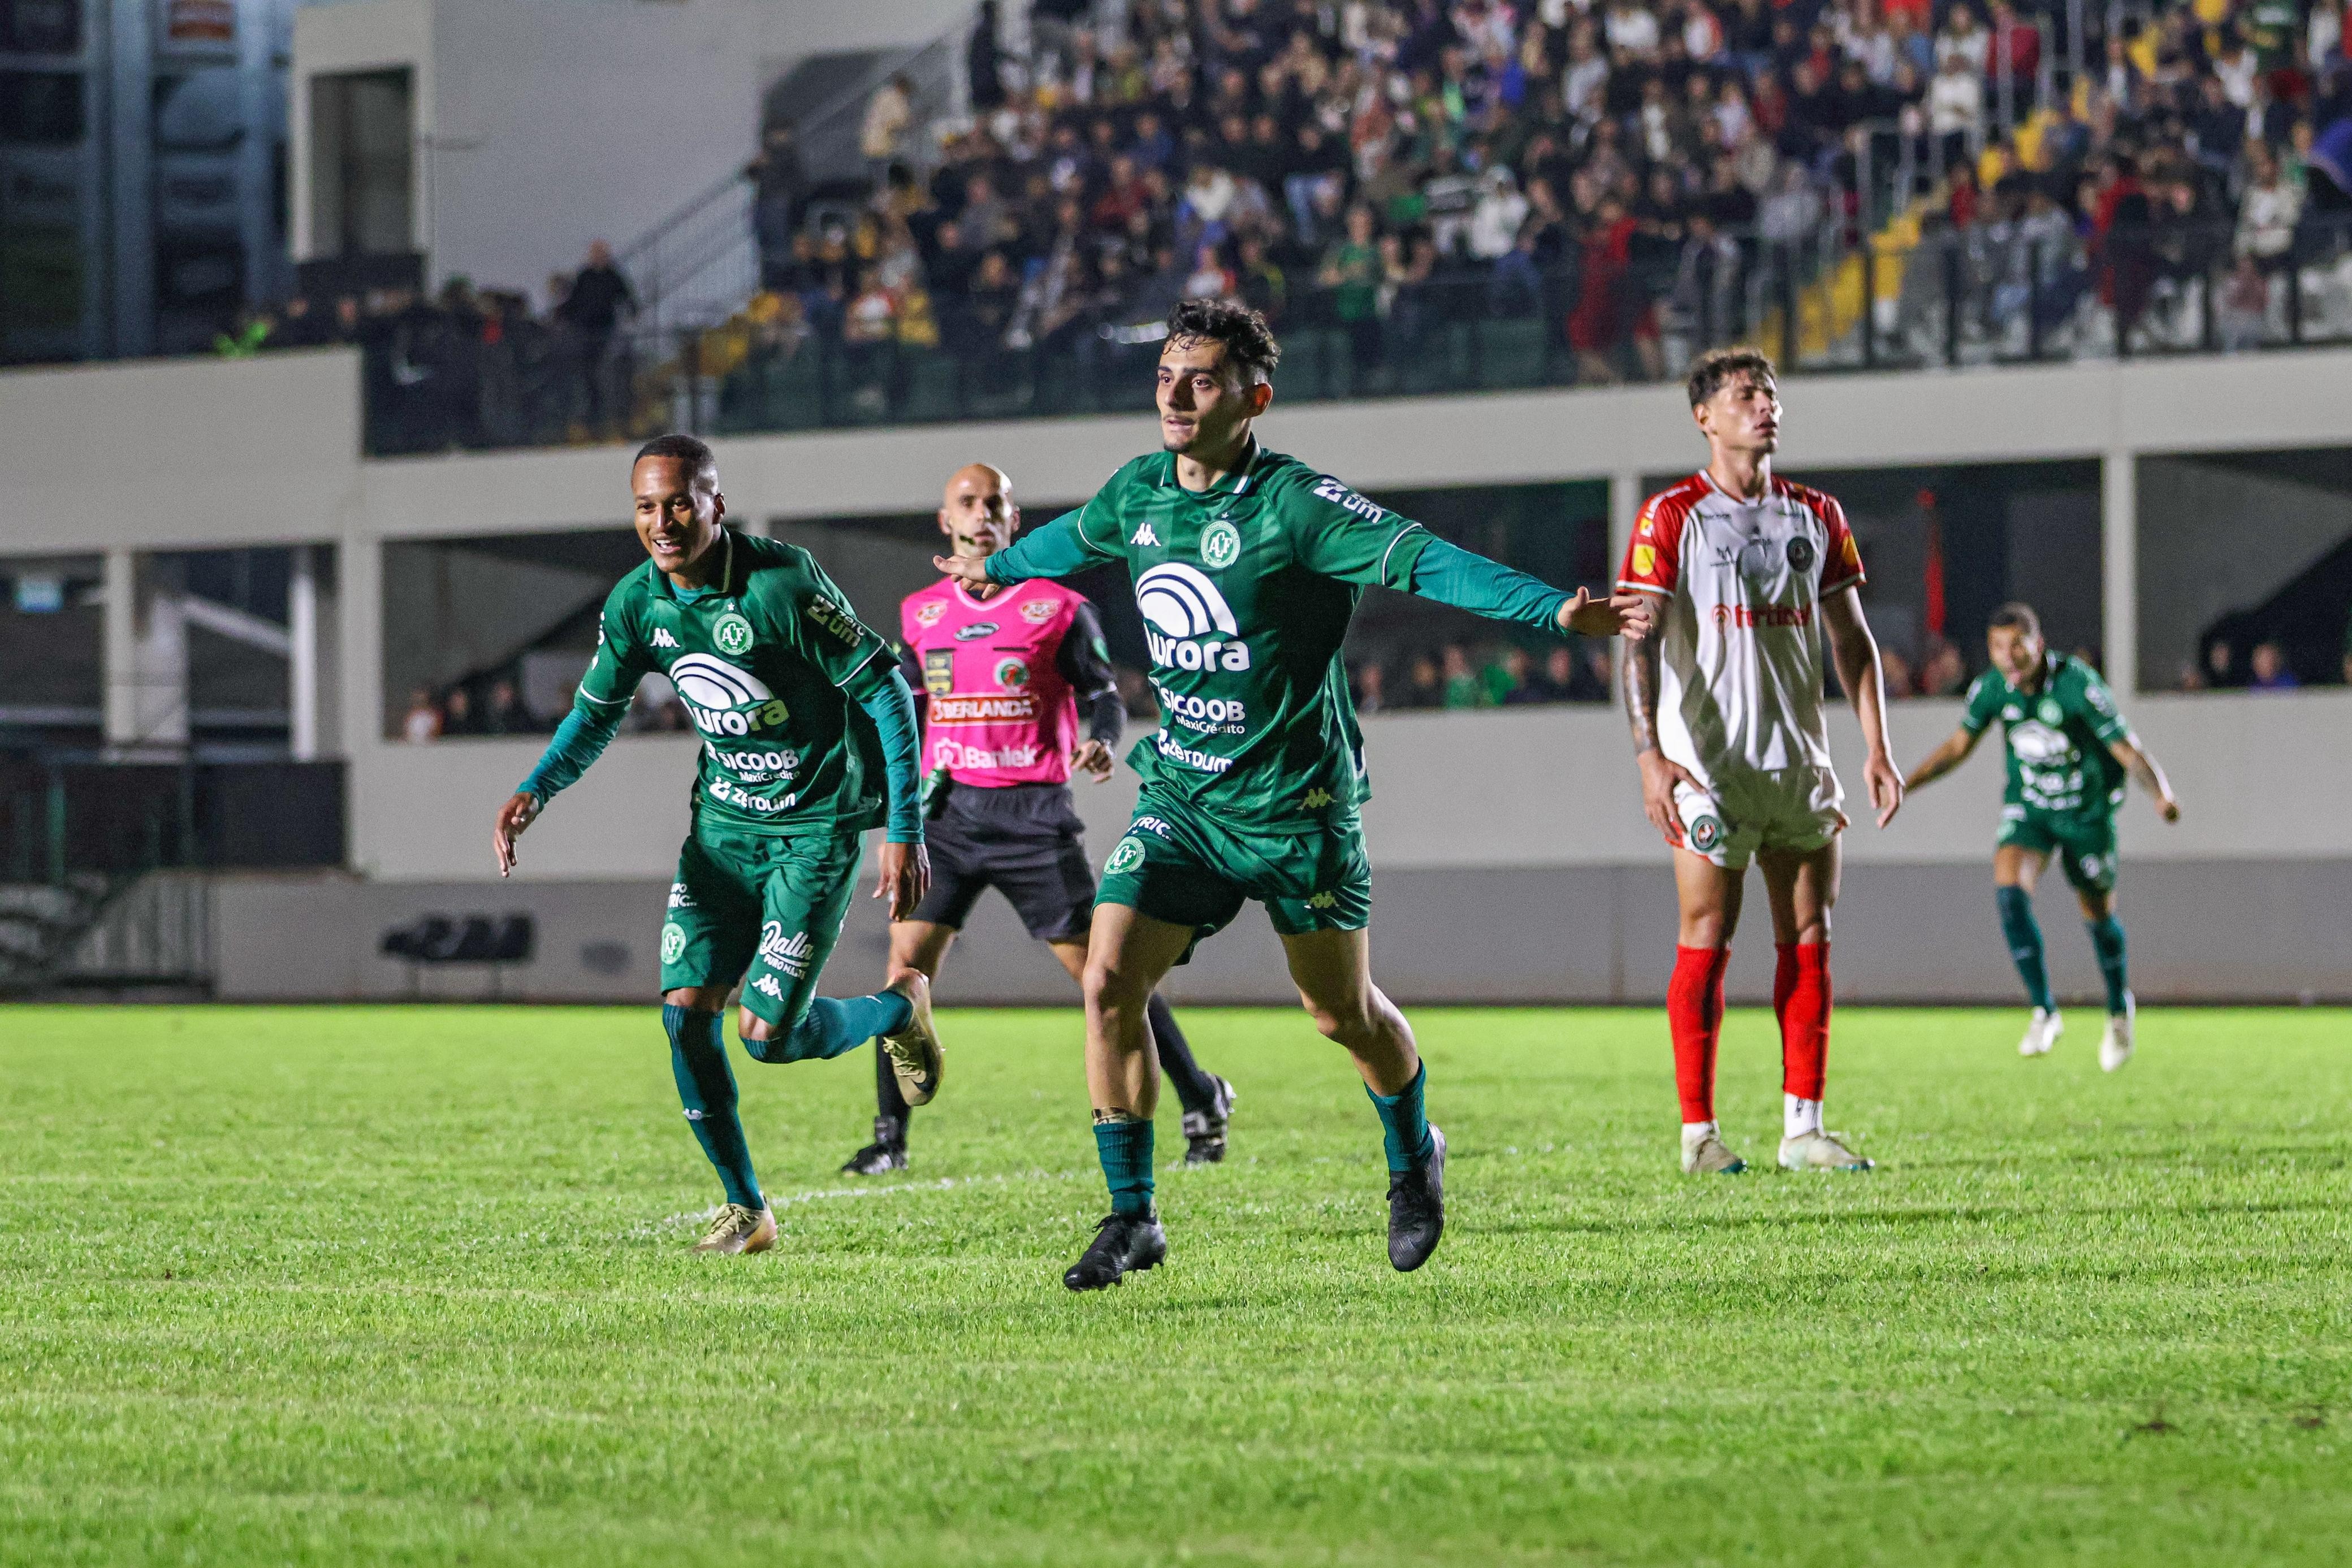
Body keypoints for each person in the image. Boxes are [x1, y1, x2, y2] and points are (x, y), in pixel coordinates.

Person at [931, 299, 1652, 1290]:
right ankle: (1133, 1216)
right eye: (1167, 377)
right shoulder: (1139, 490)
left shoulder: (1299, 505)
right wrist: (994, 568)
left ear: (1254, 398)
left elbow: (1424, 559)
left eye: (1203, 380)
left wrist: (1551, 608)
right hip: (1184, 798)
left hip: (1296, 807)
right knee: (1107, 981)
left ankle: (1415, 1154)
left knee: (1341, 1013)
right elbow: (1067, 543)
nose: (1177, 396)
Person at [491, 434, 948, 1257]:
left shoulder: (782, 583)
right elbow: (596, 713)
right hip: (721, 834)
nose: (661, 522)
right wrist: (538, 786)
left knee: (767, 1037)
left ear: (715, 504)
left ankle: (898, 1007)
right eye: (645, 506)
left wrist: (904, 829)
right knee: (684, 1014)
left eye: (678, 503)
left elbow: (885, 688)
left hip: (813, 831)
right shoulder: (637, 603)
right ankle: (747, 1208)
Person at [841, 461, 1238, 1176]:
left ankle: (1202, 1095)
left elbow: (1103, 693)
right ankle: (887, 1138)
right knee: (904, 975)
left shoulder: (1057, 607)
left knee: (1106, 980)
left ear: (1013, 520)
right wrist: (893, 815)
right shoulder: (920, 613)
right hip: (946, 819)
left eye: (995, 502)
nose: (982, 513)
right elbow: (907, 712)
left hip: (1033, 819)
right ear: (946, 520)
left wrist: (1102, 737)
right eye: (968, 502)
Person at [1618, 346, 1904, 1180]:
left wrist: (1877, 745)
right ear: (1704, 417)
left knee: (1809, 933)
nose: (1765, 405)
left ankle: (1803, 1129)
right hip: (1708, 768)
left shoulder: (1817, 513)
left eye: (1770, 394)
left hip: (1799, 761)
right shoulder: (1671, 515)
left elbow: (1852, 641)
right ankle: (1698, 1134)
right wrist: (1649, 755)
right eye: (1746, 394)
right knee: (1706, 932)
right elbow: (1636, 644)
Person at [1903, 603, 2180, 1071]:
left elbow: (2125, 748)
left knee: (2098, 915)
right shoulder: (1992, 689)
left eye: (2018, 646)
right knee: (2009, 892)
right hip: (2031, 810)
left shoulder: (2077, 685)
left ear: (2039, 644)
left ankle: (2118, 1010)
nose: (2008, 657)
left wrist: (2161, 794)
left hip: (2086, 813)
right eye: (1997, 647)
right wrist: (1906, 784)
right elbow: (1958, 746)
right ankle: (2044, 1011)